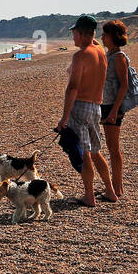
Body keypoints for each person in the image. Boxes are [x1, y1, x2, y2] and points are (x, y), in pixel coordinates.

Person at [55, 15, 117, 206]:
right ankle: (110, 191)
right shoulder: (99, 50)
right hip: (96, 107)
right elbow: (93, 41)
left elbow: (72, 88)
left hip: (81, 107)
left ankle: (89, 196)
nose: (72, 37)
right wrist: (89, 37)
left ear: (81, 33)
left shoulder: (80, 56)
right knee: (96, 151)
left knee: (84, 153)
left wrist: (64, 118)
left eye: (74, 33)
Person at [100, 20, 135, 199]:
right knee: (110, 146)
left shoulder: (119, 57)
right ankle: (114, 186)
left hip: (113, 107)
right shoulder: (108, 54)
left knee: (114, 148)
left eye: (105, 35)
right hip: (105, 105)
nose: (102, 38)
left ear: (113, 36)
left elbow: (124, 85)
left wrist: (115, 110)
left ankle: (117, 187)